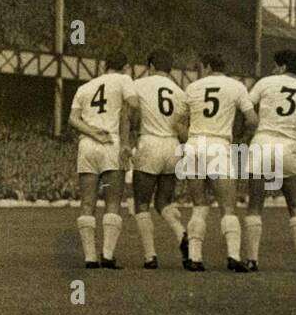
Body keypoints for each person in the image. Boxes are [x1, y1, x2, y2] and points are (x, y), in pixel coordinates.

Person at [243, 49, 296, 272]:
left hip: (262, 143)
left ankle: (252, 260)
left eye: (275, 65)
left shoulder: (265, 82)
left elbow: (247, 110)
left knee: (255, 206)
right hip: (288, 147)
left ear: (281, 67)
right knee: (295, 205)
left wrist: (243, 134)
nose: (273, 69)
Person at [182, 53, 256, 271]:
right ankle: (233, 256)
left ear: (206, 66)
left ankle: (195, 258)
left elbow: (179, 120)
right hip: (219, 145)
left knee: (199, 204)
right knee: (227, 206)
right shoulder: (236, 86)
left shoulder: (193, 87)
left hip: (194, 144)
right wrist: (241, 138)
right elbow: (253, 119)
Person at [68, 52, 133, 268]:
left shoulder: (84, 88)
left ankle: (89, 258)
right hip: (110, 142)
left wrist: (92, 133)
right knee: (112, 201)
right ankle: (106, 255)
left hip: (87, 144)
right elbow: (132, 106)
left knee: (88, 202)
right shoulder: (124, 80)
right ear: (125, 67)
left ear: (104, 67)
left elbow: (73, 119)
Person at [126, 49, 190, 269]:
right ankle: (181, 233)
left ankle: (150, 255)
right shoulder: (180, 92)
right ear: (169, 68)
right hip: (173, 146)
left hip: (150, 142)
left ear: (151, 66)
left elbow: (132, 114)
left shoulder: (138, 84)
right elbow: (182, 127)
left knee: (141, 202)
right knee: (164, 201)